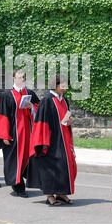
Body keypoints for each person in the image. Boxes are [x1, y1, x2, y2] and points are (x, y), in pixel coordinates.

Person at [26, 74, 76, 206]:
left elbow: (65, 117)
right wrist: (43, 142)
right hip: (51, 140)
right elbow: (41, 122)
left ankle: (60, 193)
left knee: (63, 166)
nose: (65, 89)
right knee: (51, 167)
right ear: (55, 85)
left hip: (64, 139)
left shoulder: (64, 100)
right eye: (62, 86)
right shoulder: (47, 100)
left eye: (66, 86)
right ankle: (49, 195)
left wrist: (68, 121)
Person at [0, 69, 40, 198]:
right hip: (13, 134)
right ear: (13, 78)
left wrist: (33, 108)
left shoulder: (29, 93)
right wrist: (3, 136)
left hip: (28, 134)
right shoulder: (6, 95)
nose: (22, 79)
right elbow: (1, 116)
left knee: (27, 159)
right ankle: (18, 186)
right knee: (14, 161)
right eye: (19, 77)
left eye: (24, 77)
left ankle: (23, 182)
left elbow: (40, 108)